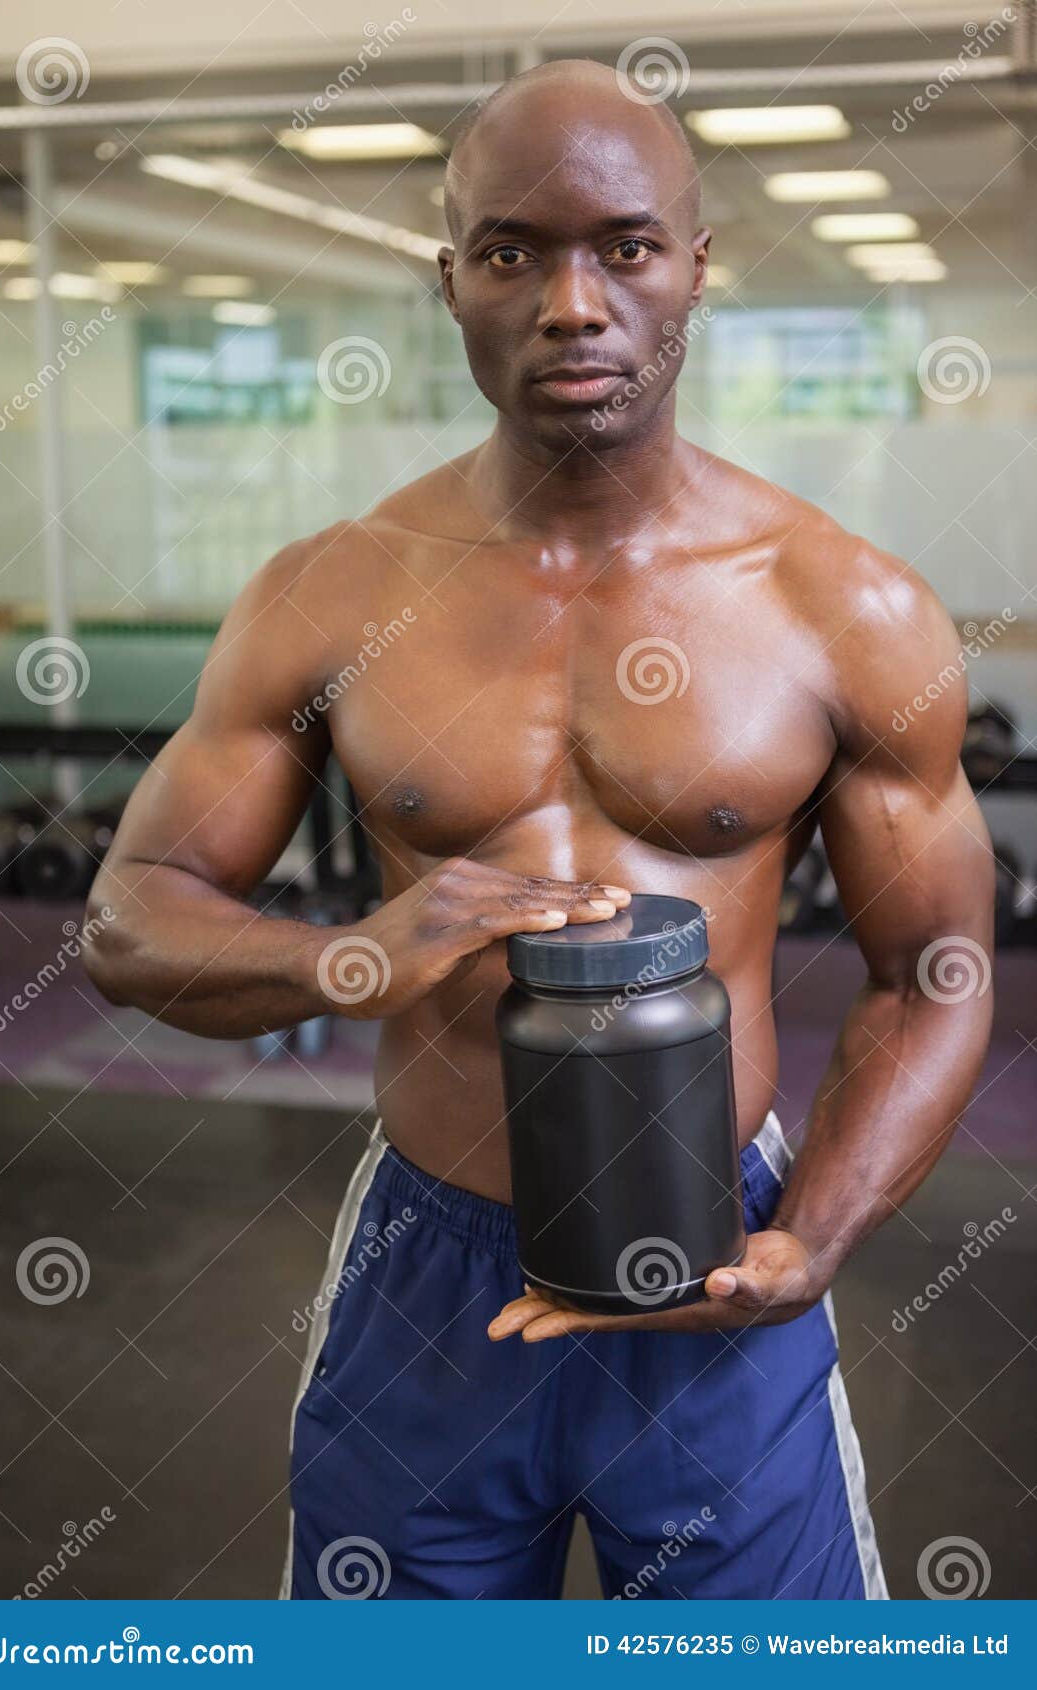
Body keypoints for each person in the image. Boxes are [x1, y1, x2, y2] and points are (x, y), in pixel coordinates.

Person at [85, 59, 994, 1601]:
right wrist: (357, 960)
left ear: (698, 266)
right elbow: (127, 917)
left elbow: (938, 968)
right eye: (513, 251)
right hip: (427, 1272)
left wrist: (818, 1237)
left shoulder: (847, 603)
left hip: (723, 1255)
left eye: (625, 246)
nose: (573, 301)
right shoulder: (336, 590)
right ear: (450, 281)